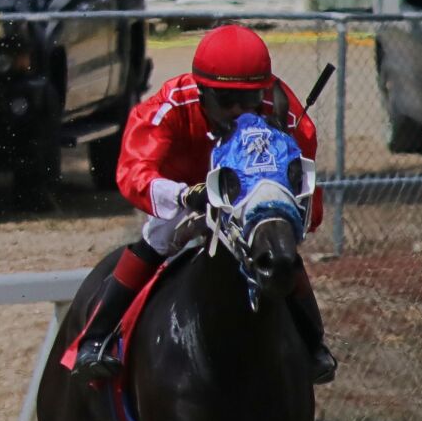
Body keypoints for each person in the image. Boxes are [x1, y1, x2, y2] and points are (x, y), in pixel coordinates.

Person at [72, 24, 336, 384]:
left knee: (278, 244)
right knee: (160, 235)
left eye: (249, 100)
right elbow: (133, 170)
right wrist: (182, 194)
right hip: (187, 194)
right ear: (201, 92)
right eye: (225, 101)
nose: (239, 112)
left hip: (247, 201)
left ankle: (314, 345)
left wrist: (293, 216)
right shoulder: (171, 103)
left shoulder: (287, 117)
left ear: (264, 90)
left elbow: (309, 196)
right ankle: (95, 340)